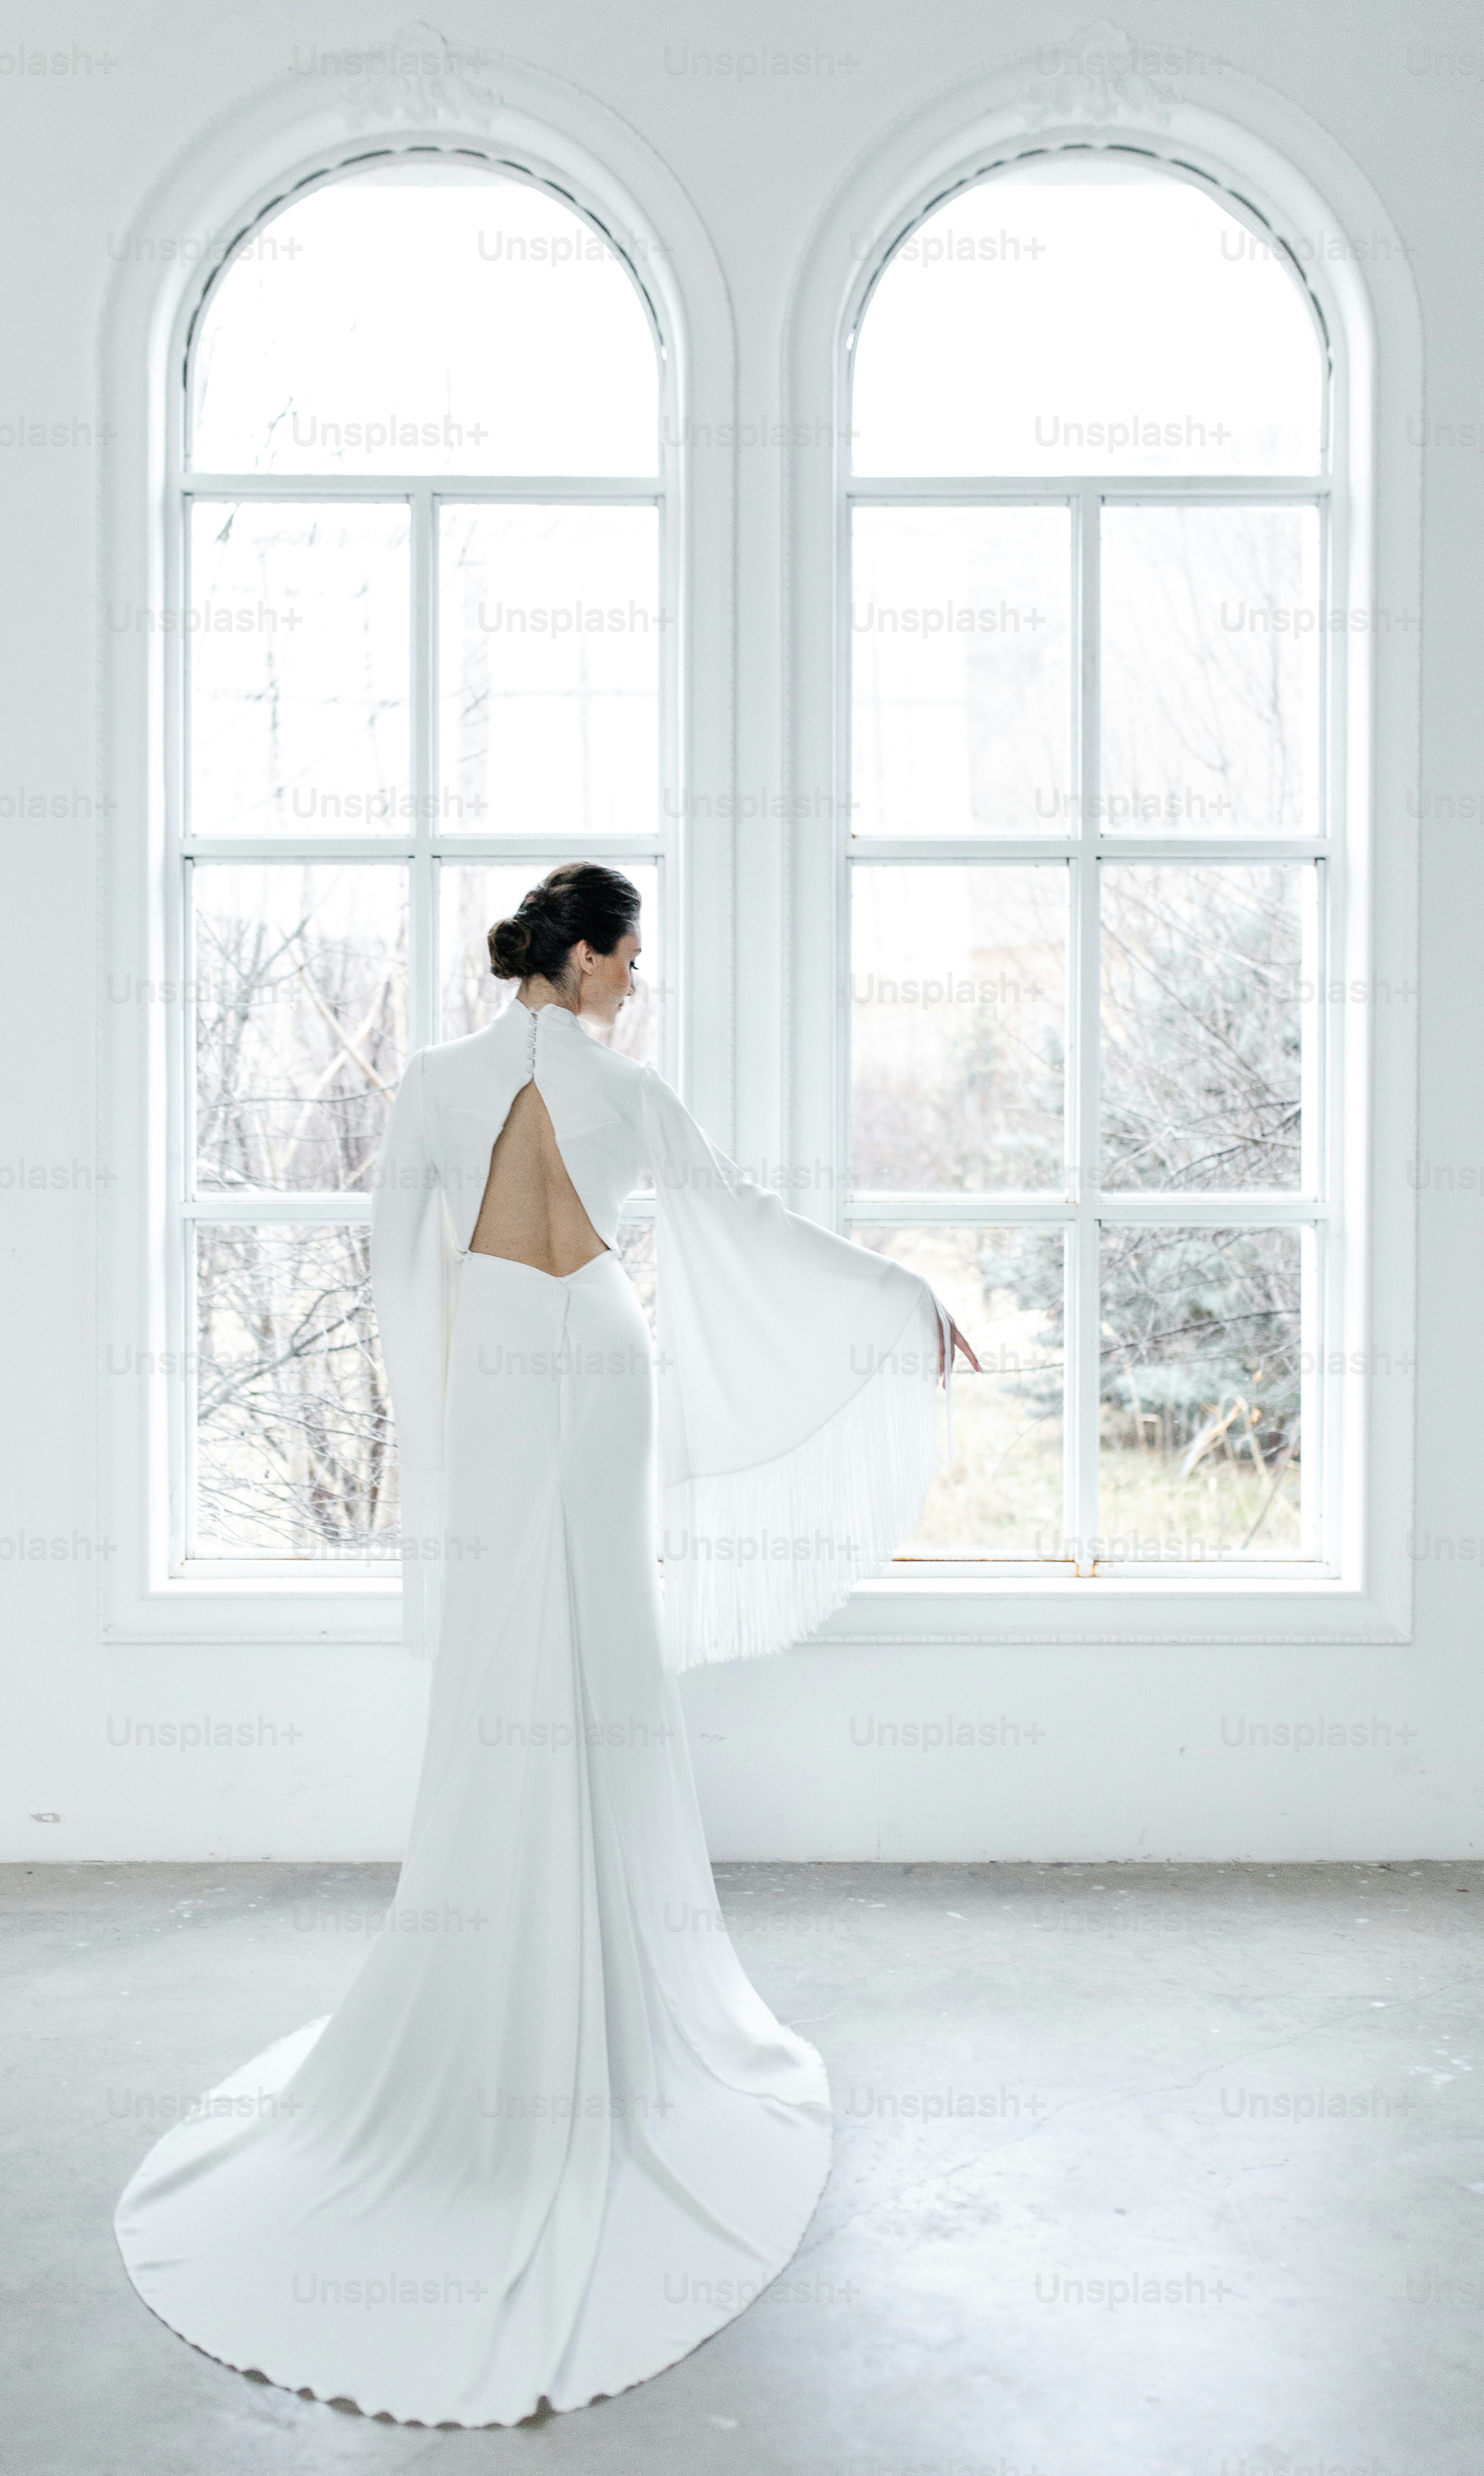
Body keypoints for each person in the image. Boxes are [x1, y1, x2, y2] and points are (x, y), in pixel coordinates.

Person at [114, 861, 975, 2426]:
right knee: (601, 1663)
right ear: (580, 956)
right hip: (601, 1355)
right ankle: (605, 1998)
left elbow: (394, 1273)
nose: (636, 984)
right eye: (630, 958)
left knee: (512, 1669)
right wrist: (901, 1294)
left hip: (502, 1375)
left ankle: (503, 1955)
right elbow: (749, 1222)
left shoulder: (433, 1086)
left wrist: (434, 1441)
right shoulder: (628, 1093)